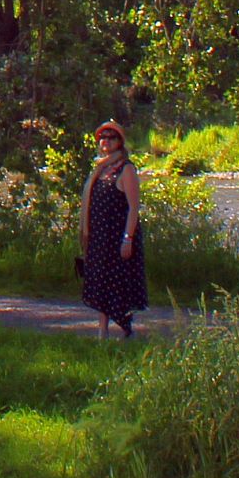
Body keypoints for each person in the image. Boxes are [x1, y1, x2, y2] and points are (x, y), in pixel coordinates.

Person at [77, 119, 147, 337]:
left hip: (118, 238)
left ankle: (126, 329)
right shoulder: (101, 168)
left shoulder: (126, 169)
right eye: (103, 137)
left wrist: (128, 238)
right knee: (100, 283)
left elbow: (133, 208)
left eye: (111, 137)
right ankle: (102, 332)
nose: (106, 141)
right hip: (100, 237)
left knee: (118, 285)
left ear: (120, 142)